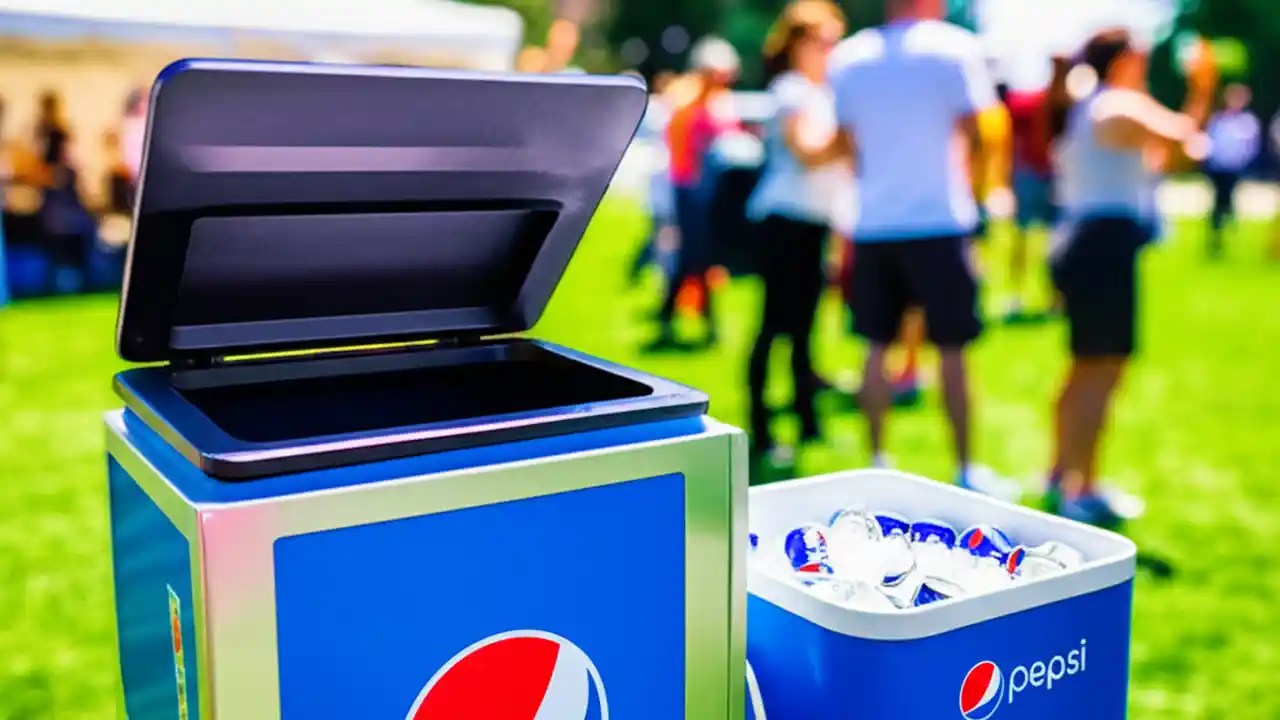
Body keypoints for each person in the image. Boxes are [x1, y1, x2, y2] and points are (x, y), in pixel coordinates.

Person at [807, 0, 1015, 496]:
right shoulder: (955, 48)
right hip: (940, 221)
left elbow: (845, 141)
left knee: (875, 348)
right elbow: (982, 132)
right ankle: (966, 468)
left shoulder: (850, 56)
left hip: (875, 223)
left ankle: (877, 462)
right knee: (952, 350)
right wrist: (984, 197)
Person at [1046, 29, 1212, 527]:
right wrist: (1203, 86)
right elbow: (1187, 137)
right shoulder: (1116, 103)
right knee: (1101, 370)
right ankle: (1083, 488)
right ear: (1120, 60)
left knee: (1084, 368)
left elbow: (1177, 153)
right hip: (1103, 246)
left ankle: (1060, 476)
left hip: (1088, 243)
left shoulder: (1097, 105)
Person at [745, 0, 848, 462]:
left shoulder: (821, 92)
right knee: (774, 326)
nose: (832, 50)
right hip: (784, 221)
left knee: (804, 329)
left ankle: (806, 419)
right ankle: (761, 427)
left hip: (813, 222)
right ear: (800, 43)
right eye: (825, 41)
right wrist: (854, 135)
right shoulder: (791, 90)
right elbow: (807, 151)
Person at [646, 36, 741, 351]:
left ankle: (695, 320)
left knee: (704, 258)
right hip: (690, 190)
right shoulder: (688, 98)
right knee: (693, 256)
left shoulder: (718, 99)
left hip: (712, 191)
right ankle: (685, 319)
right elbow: (682, 145)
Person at [1004, 82, 1057, 320]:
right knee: (1021, 237)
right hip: (1029, 173)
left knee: (1057, 240)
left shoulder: (1066, 98)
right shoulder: (1023, 100)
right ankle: (1016, 295)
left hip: (1052, 171)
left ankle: (1054, 294)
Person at [1202, 83, 1261, 257]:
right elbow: (1210, 143)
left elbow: (1250, 147)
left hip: (1234, 168)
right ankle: (1217, 236)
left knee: (1228, 201)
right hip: (1217, 168)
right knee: (1218, 202)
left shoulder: (1247, 122)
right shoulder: (1217, 119)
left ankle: (1226, 232)